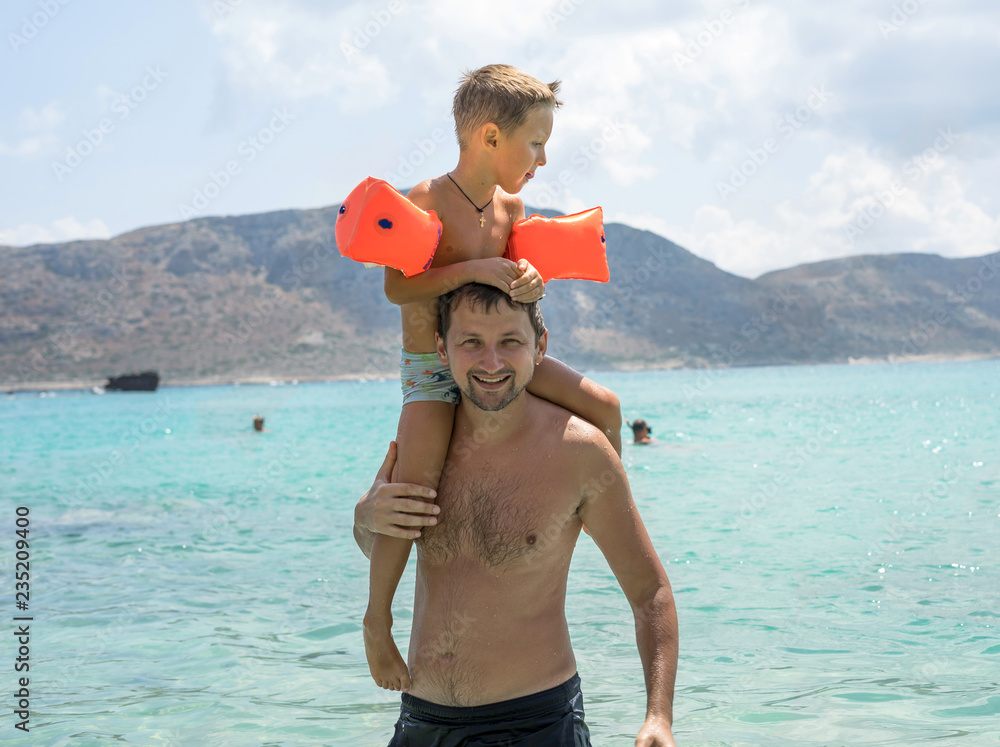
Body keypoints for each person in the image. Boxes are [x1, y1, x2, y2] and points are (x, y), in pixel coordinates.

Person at [364, 63, 623, 693]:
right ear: (487, 137)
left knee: (605, 408)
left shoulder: (511, 206)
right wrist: (474, 265)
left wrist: (528, 277)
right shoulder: (424, 202)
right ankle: (376, 618)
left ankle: (574, 529)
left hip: (499, 361)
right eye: (535, 143)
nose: (541, 158)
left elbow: (508, 284)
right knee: (414, 489)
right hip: (433, 362)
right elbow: (399, 287)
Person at [354, 283, 678, 746]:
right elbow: (380, 545)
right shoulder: (424, 449)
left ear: (539, 346)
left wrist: (658, 716)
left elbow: (651, 593)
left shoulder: (581, 453)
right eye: (472, 343)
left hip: (537, 723)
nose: (491, 363)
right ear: (442, 349)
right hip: (421, 722)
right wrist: (367, 516)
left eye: (510, 341)